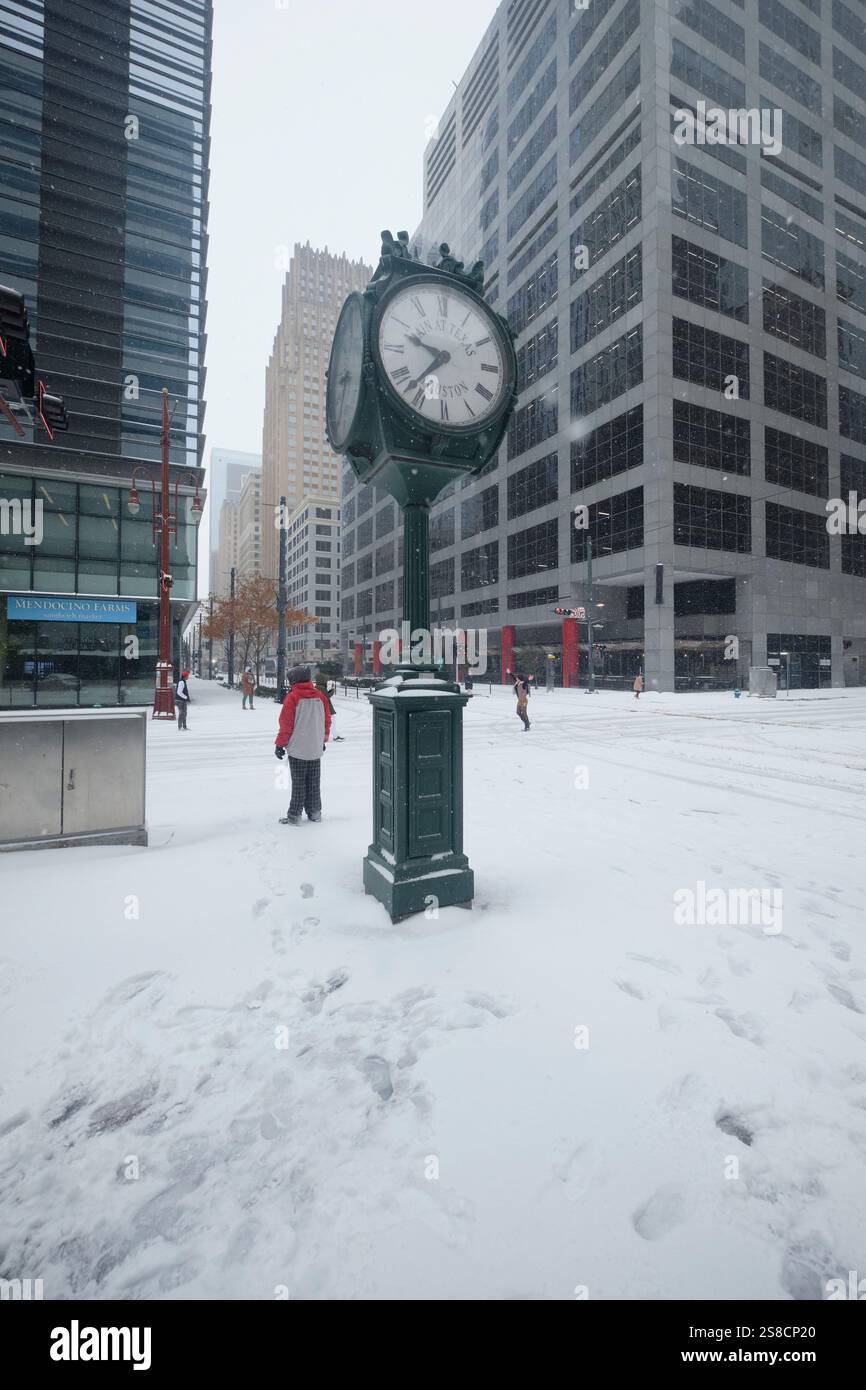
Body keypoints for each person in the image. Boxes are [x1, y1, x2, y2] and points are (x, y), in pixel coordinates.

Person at [274, 665, 331, 824]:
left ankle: (294, 815)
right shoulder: (320, 697)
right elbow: (326, 721)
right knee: (314, 783)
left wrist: (280, 745)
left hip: (298, 749)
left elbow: (286, 725)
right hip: (315, 748)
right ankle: (315, 812)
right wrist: (323, 740)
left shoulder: (292, 698)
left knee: (299, 784)